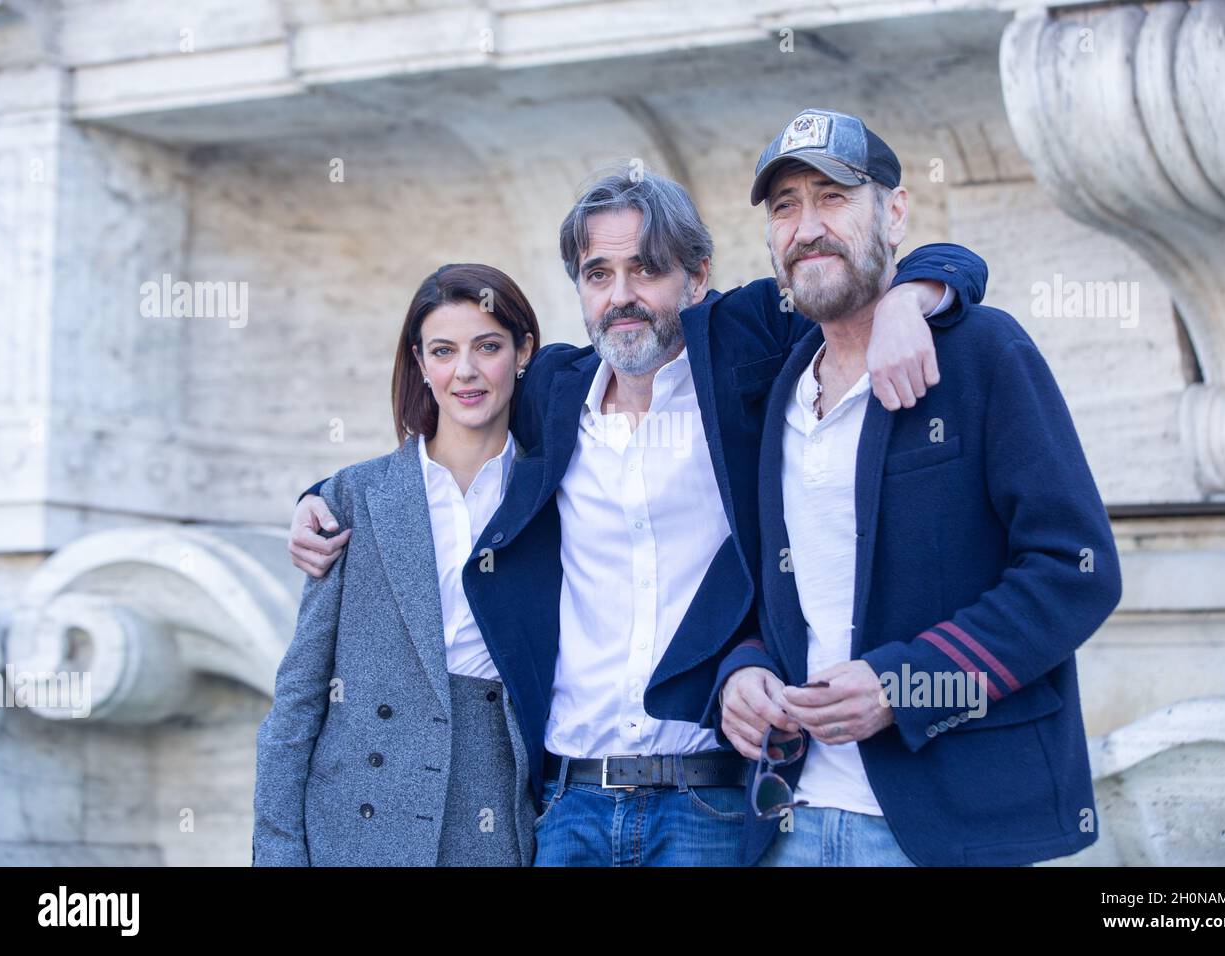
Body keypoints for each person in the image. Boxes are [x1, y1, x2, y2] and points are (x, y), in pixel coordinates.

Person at [287, 162, 988, 865]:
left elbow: (865, 268)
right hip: (568, 807)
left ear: (698, 276)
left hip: (708, 804)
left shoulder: (744, 354)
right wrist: (319, 498)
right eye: (598, 275)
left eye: (646, 270)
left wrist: (910, 299)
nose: (621, 297)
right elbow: (448, 436)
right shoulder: (553, 395)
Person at [710, 108, 1123, 866]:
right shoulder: (780, 388)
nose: (807, 226)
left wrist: (906, 686)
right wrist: (743, 673)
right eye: (785, 206)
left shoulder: (984, 353)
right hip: (790, 824)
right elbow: (775, 589)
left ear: (895, 212)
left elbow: (1075, 573)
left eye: (833, 197)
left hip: (949, 831)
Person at [253, 263, 540, 866]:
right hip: (356, 820)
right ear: (420, 363)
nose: (465, 370)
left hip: (494, 811)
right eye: (443, 350)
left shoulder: (553, 494)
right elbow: (300, 694)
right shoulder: (354, 499)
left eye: (487, 346)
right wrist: (278, 854)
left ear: (522, 352)